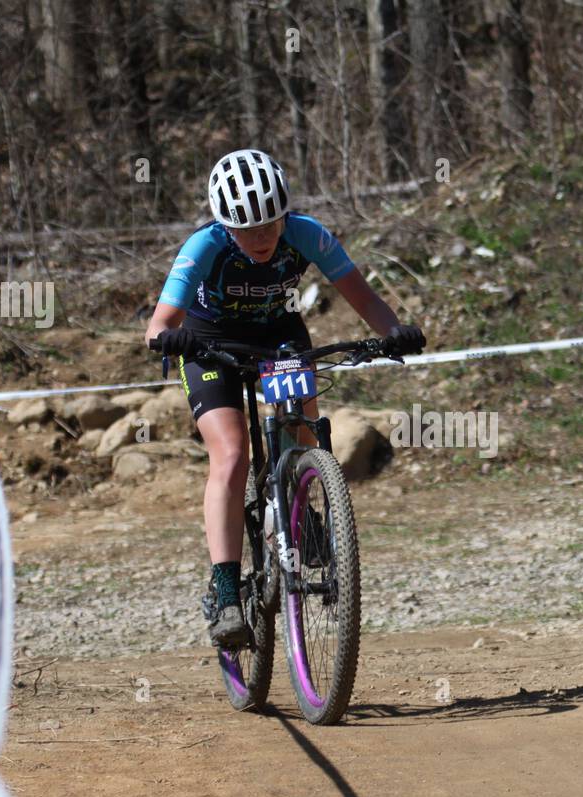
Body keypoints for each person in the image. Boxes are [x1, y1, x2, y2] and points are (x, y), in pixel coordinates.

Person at [143, 148, 425, 648]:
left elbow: (363, 297)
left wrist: (394, 332)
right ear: (224, 225)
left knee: (305, 427)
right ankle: (226, 590)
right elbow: (158, 324)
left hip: (279, 336)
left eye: (271, 224)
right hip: (209, 344)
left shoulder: (307, 233)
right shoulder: (203, 246)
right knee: (231, 456)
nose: (262, 238)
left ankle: (301, 501)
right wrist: (169, 337)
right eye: (248, 230)